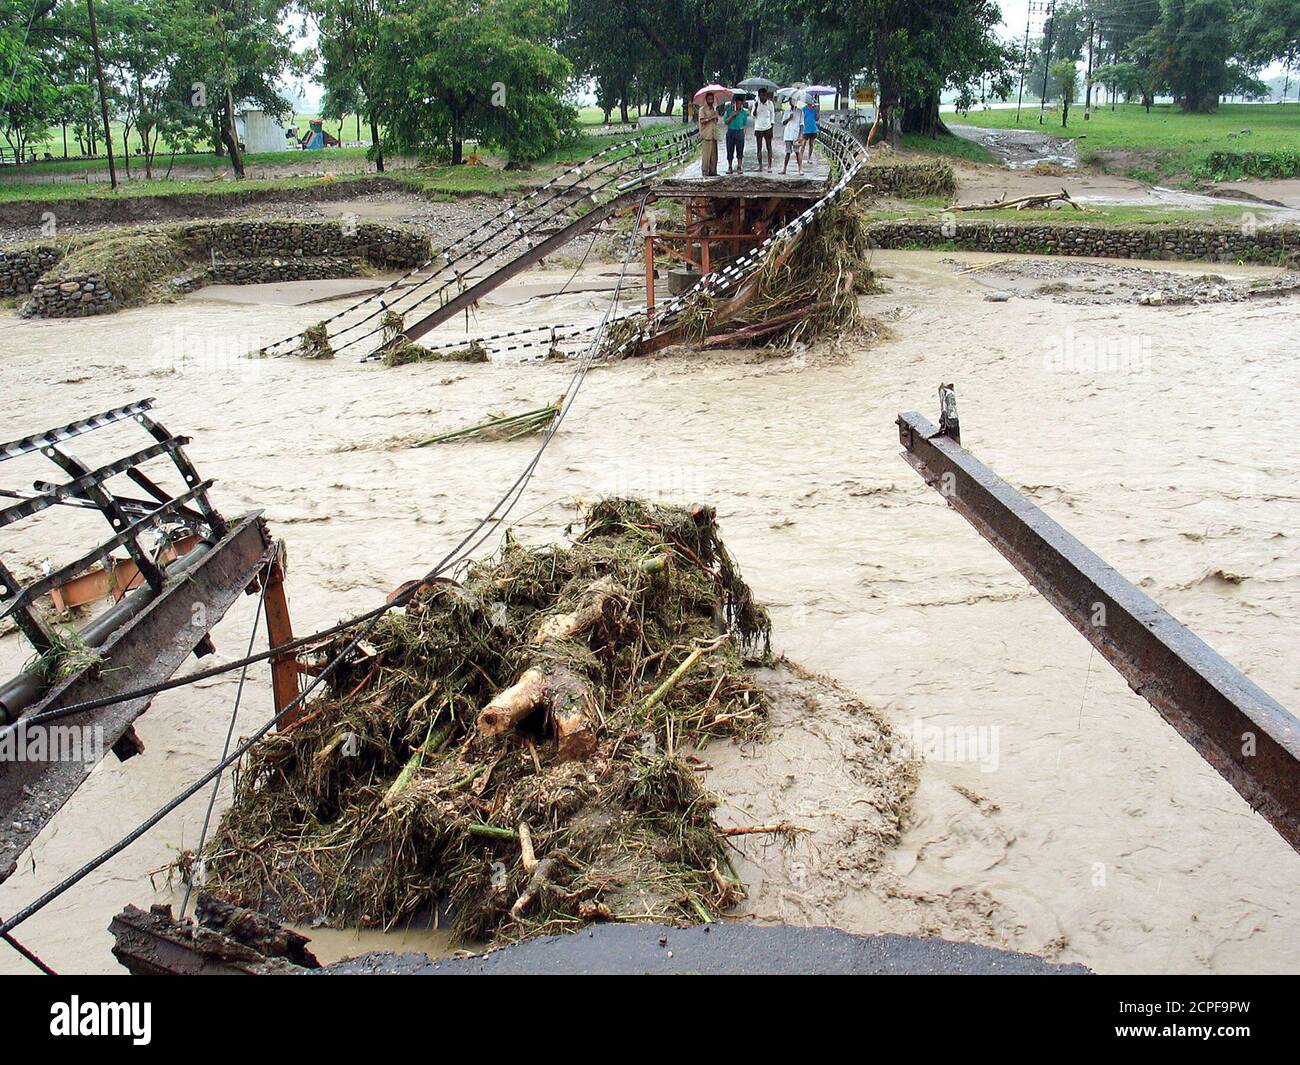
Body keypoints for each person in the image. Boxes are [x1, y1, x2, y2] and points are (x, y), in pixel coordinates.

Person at [722, 95, 749, 174]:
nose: (739, 106)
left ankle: (739, 166)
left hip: (739, 132)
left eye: (740, 104)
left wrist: (744, 134)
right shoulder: (729, 111)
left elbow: (744, 124)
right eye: (737, 104)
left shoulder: (743, 112)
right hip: (731, 131)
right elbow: (725, 122)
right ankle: (730, 166)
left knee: (740, 150)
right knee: (730, 149)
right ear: (734, 103)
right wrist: (732, 116)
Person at [697, 92, 722, 177]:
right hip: (706, 135)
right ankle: (705, 172)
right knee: (706, 157)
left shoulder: (713, 110)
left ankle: (713, 171)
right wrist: (712, 117)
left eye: (712, 99)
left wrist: (716, 117)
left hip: (713, 135)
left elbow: (715, 122)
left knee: (714, 156)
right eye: (709, 99)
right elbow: (702, 121)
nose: (710, 101)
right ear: (706, 100)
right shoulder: (702, 109)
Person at [752, 87, 775, 172]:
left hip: (768, 128)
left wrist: (772, 129)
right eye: (761, 95)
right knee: (759, 148)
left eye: (764, 95)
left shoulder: (770, 104)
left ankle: (769, 166)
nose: (763, 97)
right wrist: (756, 107)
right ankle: (760, 165)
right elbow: (753, 115)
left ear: (766, 95)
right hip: (758, 128)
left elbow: (772, 117)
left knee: (769, 147)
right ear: (759, 95)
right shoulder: (756, 103)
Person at [780, 96, 803, 175]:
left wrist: (800, 135)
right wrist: (789, 118)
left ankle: (800, 169)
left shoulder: (800, 112)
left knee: (797, 152)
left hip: (796, 134)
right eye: (791, 100)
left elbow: (801, 124)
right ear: (789, 102)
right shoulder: (786, 112)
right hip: (788, 134)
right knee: (788, 152)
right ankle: (784, 169)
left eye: (794, 100)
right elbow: (783, 123)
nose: (792, 102)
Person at [801, 96, 819, 162]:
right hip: (806, 129)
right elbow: (802, 119)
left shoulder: (815, 109)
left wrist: (817, 111)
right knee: (803, 144)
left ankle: (809, 157)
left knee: (811, 144)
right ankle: (800, 157)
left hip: (813, 129)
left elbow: (817, 119)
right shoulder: (804, 109)